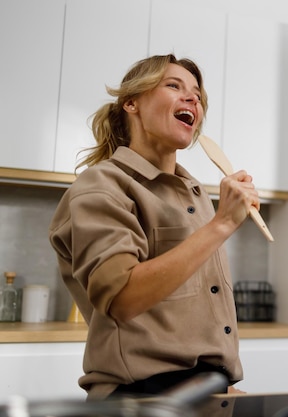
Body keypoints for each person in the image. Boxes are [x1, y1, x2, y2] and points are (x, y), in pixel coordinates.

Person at [49, 54, 257, 400]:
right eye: (174, 86)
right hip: (139, 396)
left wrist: (220, 381)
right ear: (131, 103)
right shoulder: (101, 186)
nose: (192, 98)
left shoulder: (196, 194)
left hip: (205, 391)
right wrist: (221, 224)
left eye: (197, 94)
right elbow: (122, 298)